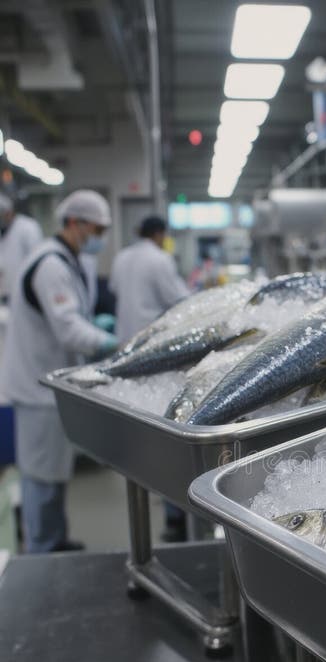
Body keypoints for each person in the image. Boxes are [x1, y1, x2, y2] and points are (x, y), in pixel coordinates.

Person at [0, 189, 118, 553]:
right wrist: (110, 343)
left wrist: (93, 325)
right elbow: (68, 329)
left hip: (49, 384)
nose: (99, 237)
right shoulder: (51, 264)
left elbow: (70, 318)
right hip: (38, 389)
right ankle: (40, 549)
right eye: (95, 229)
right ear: (73, 222)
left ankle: (55, 539)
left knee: (55, 472)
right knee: (41, 477)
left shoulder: (64, 259)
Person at [111, 214, 189, 541]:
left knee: (138, 439)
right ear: (159, 234)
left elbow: (116, 291)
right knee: (168, 435)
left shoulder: (121, 258)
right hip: (159, 357)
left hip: (126, 354)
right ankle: (175, 516)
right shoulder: (159, 260)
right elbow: (182, 301)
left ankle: (148, 507)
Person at [111, 215, 188, 344]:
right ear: (159, 234)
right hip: (149, 335)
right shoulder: (161, 258)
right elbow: (175, 298)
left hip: (123, 334)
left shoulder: (121, 256)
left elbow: (113, 289)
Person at [0, 194, 43, 303]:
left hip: (24, 293)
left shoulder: (28, 228)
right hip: (4, 293)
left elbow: (36, 262)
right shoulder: (3, 230)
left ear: (9, 212)